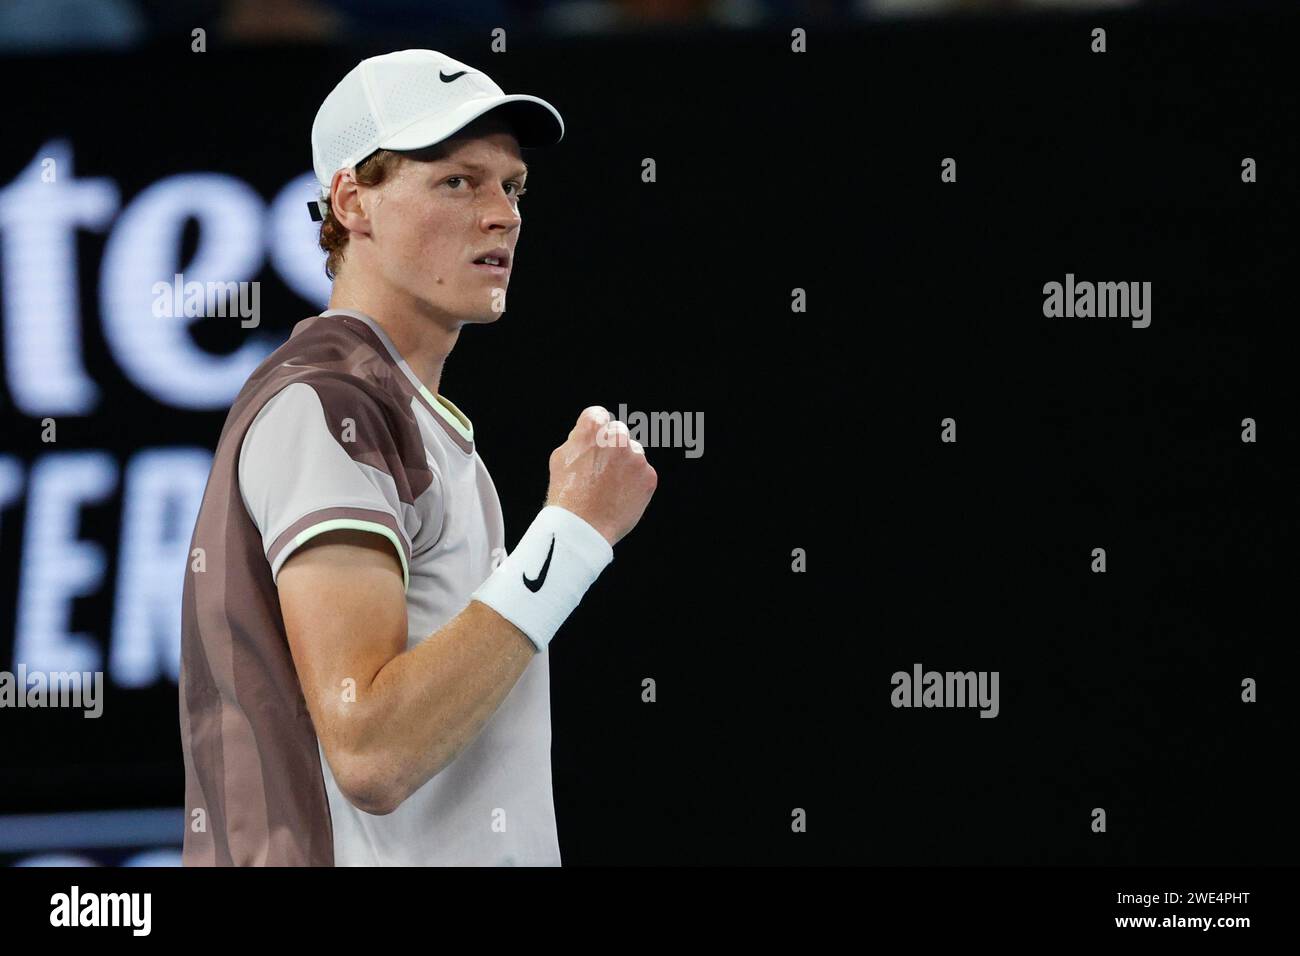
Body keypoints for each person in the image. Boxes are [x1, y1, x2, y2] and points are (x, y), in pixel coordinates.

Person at [179, 48, 657, 866]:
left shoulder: (401, 414)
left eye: (512, 187)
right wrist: (572, 537)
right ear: (352, 202)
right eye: (457, 183)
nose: (503, 215)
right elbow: (373, 750)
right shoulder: (330, 405)